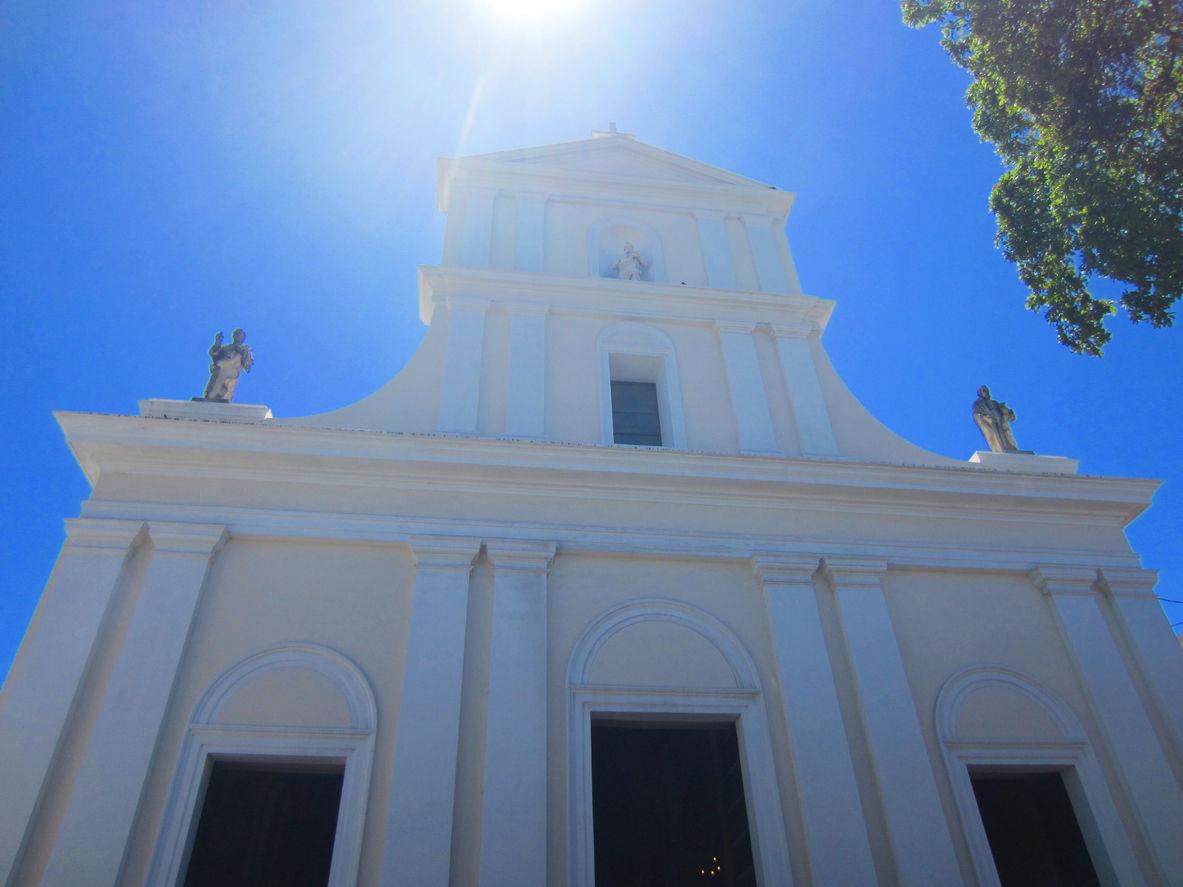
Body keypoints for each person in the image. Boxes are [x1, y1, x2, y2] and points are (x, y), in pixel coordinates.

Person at [200, 328, 254, 402]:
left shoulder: (245, 349)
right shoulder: (226, 348)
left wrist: (244, 352)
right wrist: (217, 343)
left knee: (225, 383)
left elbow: (247, 366)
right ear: (233, 336)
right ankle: (211, 396)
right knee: (212, 391)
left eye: (240, 334)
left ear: (243, 338)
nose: (237, 336)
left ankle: (219, 396)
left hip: (232, 371)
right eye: (236, 334)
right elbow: (214, 355)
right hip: (219, 369)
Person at [972, 385, 1028, 453]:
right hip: (991, 421)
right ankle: (1000, 449)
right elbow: (978, 413)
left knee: (1005, 435)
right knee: (996, 436)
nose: (986, 392)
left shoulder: (994, 402)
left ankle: (1008, 448)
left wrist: (1008, 413)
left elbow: (1005, 413)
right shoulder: (978, 403)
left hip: (1000, 420)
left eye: (986, 391)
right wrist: (988, 417)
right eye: (983, 391)